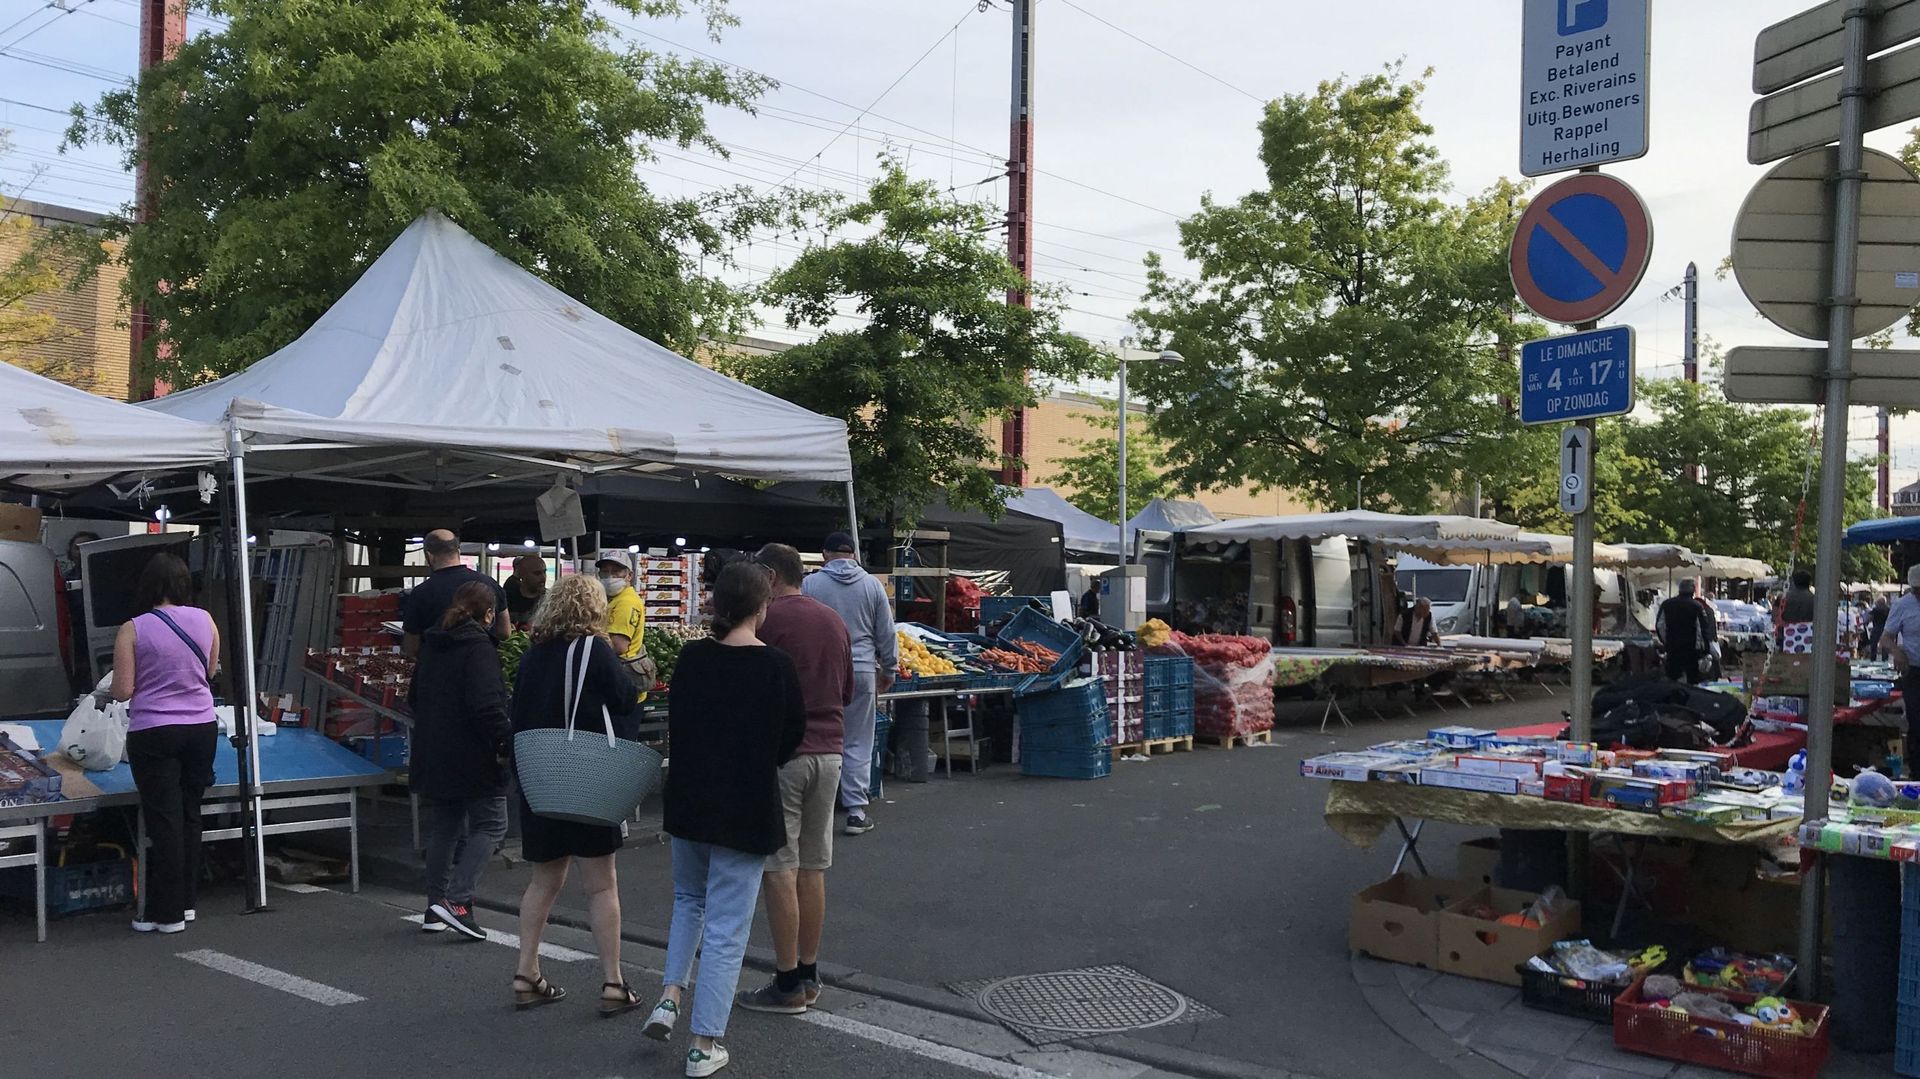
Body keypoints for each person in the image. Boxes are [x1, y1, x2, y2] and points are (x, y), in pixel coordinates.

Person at [645, 561, 806, 1077]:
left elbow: (679, 723)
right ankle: (703, 1041)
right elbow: (791, 737)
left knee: (689, 901)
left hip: (690, 801)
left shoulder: (693, 658)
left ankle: (669, 996)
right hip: (746, 805)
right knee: (727, 927)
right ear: (762, 607)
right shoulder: (777, 666)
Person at [507, 575, 642, 1015]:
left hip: (540, 777)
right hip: (586, 776)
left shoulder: (533, 656)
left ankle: (526, 972)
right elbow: (624, 700)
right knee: (601, 886)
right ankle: (612, 983)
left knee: (543, 881)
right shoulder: (594, 650)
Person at [736, 544, 853, 1015]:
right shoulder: (832, 619)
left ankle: (785, 981)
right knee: (813, 864)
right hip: (831, 751)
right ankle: (809, 970)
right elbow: (848, 689)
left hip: (785, 754)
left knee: (778, 865)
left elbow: (751, 688)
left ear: (768, 574)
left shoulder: (770, 622)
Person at [109, 553, 219, 934]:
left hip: (155, 730)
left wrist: (105, 692)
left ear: (148, 585)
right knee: (190, 813)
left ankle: (165, 913)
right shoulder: (205, 620)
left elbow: (123, 689)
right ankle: (187, 903)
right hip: (203, 727)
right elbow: (209, 671)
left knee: (165, 820)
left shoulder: (133, 629)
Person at [407, 580, 511, 941]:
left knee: (446, 827)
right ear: (488, 614)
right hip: (472, 752)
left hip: (434, 750)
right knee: (492, 824)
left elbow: (413, 697)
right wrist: (504, 740)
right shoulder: (478, 647)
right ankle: (457, 900)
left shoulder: (433, 643)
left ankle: (434, 907)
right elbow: (486, 704)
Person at [802, 532, 896, 837]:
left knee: (816, 734)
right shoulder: (872, 585)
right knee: (858, 740)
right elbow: (886, 631)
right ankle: (856, 810)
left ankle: (816, 807)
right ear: (853, 554)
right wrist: (890, 667)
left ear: (826, 554)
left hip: (821, 670)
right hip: (863, 669)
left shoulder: (811, 585)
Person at [402, 530, 508, 657]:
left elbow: (411, 647)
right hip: (483, 664)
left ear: (428, 556)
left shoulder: (420, 593)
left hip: (438, 669)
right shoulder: (490, 583)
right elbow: (505, 632)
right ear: (458, 552)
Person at [595, 550, 648, 689]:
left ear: (629, 575)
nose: (610, 576)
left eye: (616, 571)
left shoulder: (626, 602)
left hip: (623, 679)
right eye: (605, 572)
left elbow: (618, 646)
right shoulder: (611, 599)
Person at [1882, 567, 1920, 753]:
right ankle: (1916, 772)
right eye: (1916, 589)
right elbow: (1886, 637)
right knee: (1916, 722)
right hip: (1914, 671)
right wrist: (1897, 651)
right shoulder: (1903, 605)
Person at [1656, 579, 1717, 685]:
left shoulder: (1667, 604)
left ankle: (1671, 699)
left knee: (1672, 679)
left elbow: (1660, 625)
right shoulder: (1697, 606)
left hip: (1673, 647)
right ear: (1693, 591)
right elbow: (1702, 630)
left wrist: (1666, 641)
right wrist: (1705, 649)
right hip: (1691, 649)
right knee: (1692, 681)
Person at [63, 530, 99, 692]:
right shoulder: (65, 579)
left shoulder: (105, 578)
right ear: (70, 552)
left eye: (85, 546)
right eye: (77, 547)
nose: (80, 551)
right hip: (75, 639)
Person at [503, 553, 548, 630]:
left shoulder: (550, 601)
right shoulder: (508, 597)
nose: (543, 577)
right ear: (523, 575)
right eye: (537, 573)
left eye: (544, 572)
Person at [1868, 595, 1891, 661]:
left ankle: (1873, 659)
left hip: (1876, 628)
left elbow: (1870, 618)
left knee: (1874, 645)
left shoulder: (1876, 609)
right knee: (1885, 645)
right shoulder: (1888, 609)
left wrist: (1864, 623)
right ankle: (1885, 659)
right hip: (1885, 629)